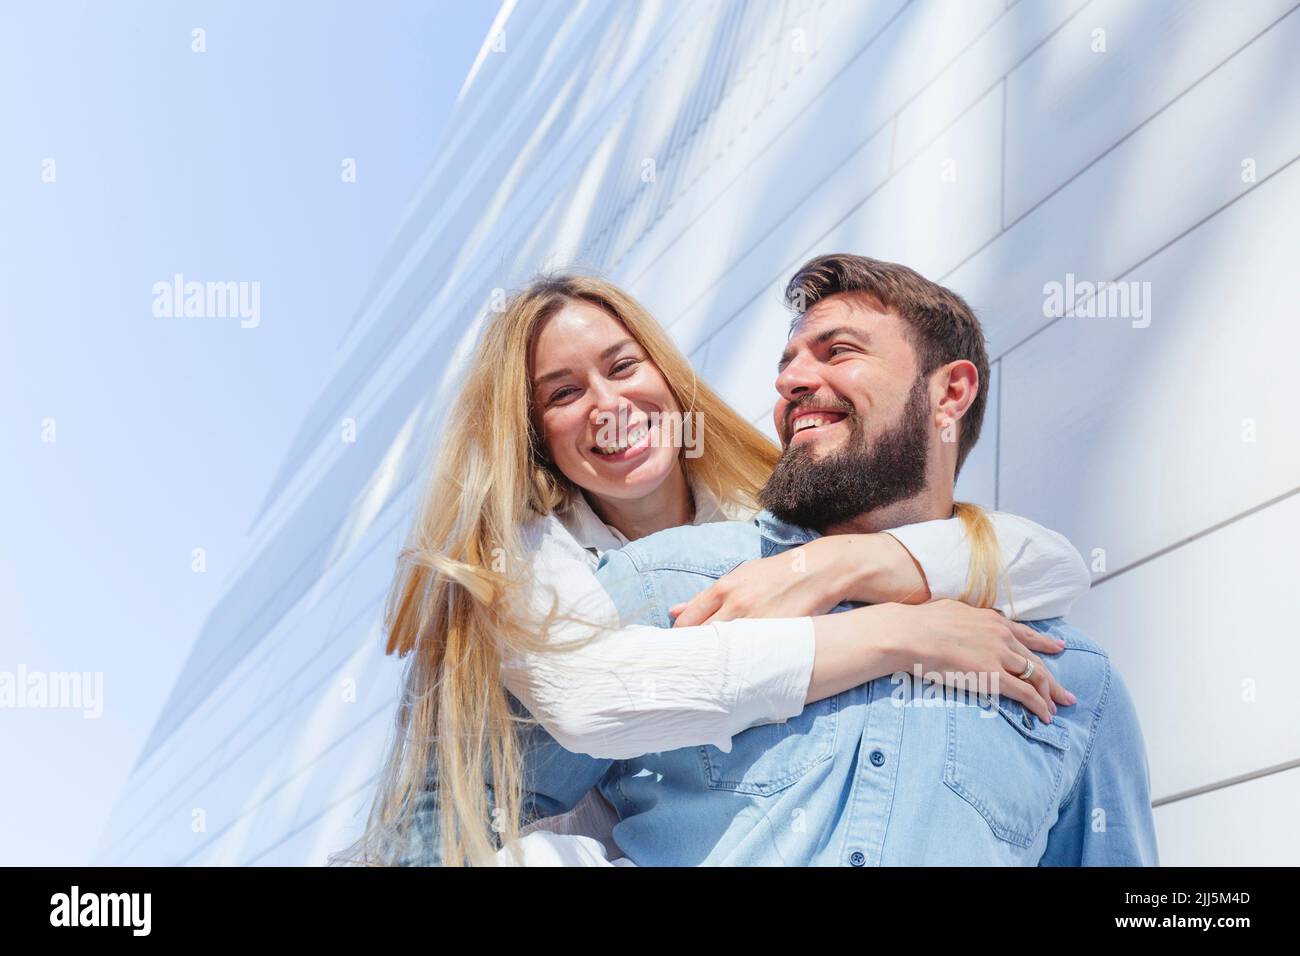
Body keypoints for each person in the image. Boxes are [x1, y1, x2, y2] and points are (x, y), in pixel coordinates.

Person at [331, 272, 1090, 868]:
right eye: (562, 394)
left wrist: (852, 560)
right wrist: (900, 631)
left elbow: (1054, 565)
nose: (607, 404)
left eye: (622, 366)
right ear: (535, 439)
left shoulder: (763, 519)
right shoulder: (522, 561)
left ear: (665, 373)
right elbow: (605, 701)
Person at [508, 255, 1159, 865]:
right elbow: (476, 811)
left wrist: (850, 566)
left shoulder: (1076, 681)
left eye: (838, 351)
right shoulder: (664, 584)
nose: (788, 379)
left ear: (951, 393)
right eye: (788, 362)